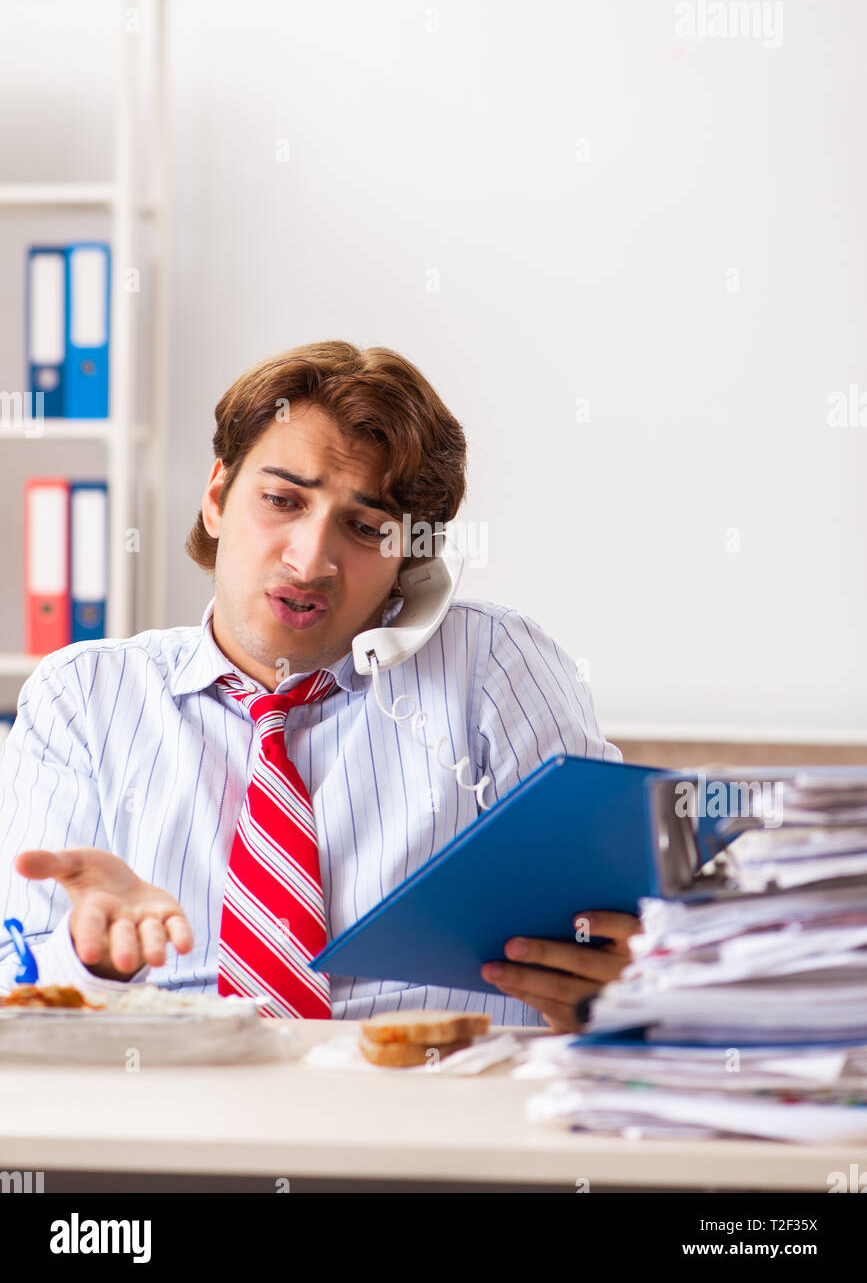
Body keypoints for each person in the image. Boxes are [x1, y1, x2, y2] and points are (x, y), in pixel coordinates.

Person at [0, 340, 638, 1029]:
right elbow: (18, 983)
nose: (310, 561)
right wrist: (94, 956)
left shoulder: (493, 663)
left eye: (365, 528)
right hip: (178, 1094)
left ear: (409, 561)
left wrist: (625, 982)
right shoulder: (82, 693)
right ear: (216, 498)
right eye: (280, 500)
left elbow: (617, 942)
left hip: (432, 1096)